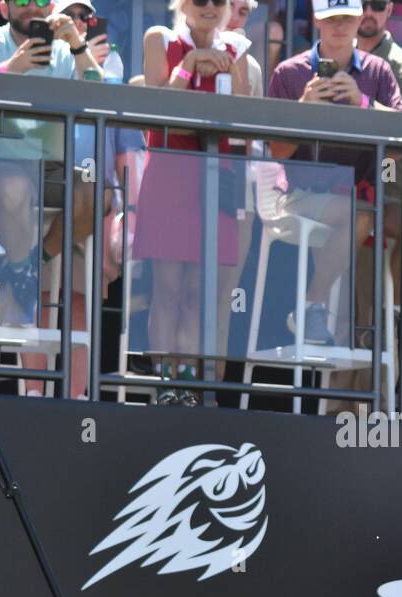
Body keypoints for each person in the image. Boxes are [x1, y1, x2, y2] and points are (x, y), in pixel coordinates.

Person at [268, 0, 402, 362]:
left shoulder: (377, 71)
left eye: (346, 17)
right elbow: (275, 152)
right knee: (361, 216)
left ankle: (317, 307)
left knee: (380, 218)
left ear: (361, 17)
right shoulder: (289, 72)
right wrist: (305, 107)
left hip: (356, 198)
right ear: (316, 19)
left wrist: (363, 103)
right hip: (297, 195)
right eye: (332, 18)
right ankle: (313, 306)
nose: (340, 26)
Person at [0, 0, 105, 333]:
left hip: (48, 166)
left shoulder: (66, 51)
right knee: (14, 188)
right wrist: (12, 68)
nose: (31, 7)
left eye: (39, 0)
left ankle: (26, 268)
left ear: (51, 6)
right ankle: (23, 284)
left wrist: (78, 44)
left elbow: (98, 97)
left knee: (99, 195)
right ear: (4, 7)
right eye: (22, 0)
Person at [133, 0, 249, 405]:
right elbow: (157, 112)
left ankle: (191, 386)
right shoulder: (160, 39)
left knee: (201, 292)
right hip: (169, 172)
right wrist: (191, 65)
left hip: (218, 177)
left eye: (219, 1)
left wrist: (226, 66)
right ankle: (167, 384)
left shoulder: (238, 49)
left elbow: (245, 124)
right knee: (167, 288)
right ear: (182, 4)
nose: (210, 7)